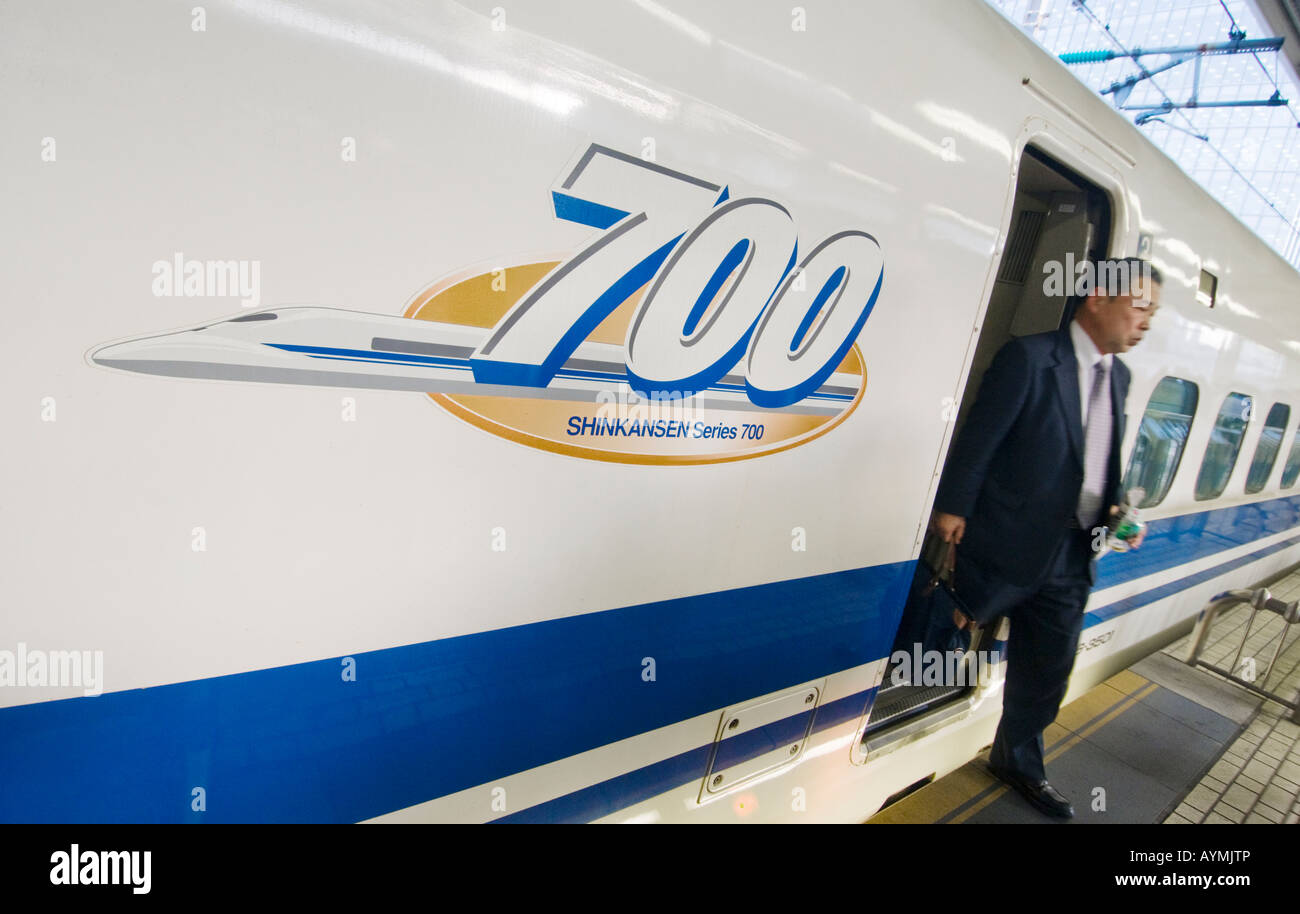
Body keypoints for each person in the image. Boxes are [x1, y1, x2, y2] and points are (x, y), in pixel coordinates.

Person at [930, 258, 1162, 819]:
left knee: (1047, 670)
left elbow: (1101, 457)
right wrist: (954, 507)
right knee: (945, 627)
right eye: (1140, 306)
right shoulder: (1031, 359)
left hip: (1074, 551)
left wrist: (1118, 510)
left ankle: (1018, 762)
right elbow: (981, 437)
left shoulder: (1120, 378)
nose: (1147, 322)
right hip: (1006, 537)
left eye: (1153, 312)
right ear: (1097, 299)